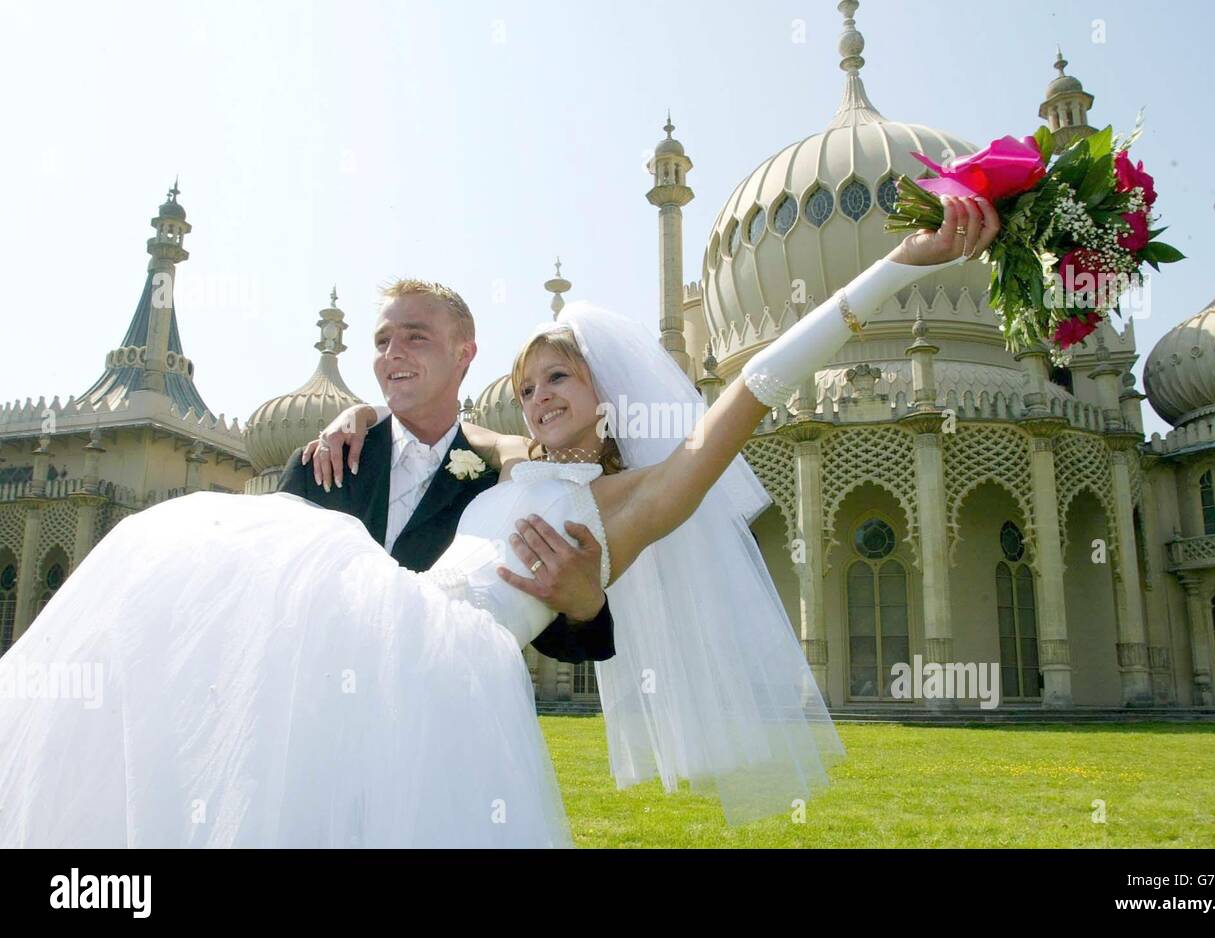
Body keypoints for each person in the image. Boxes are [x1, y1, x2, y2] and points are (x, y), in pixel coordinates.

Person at [0, 196, 998, 847]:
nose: (539, 394)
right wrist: (359, 406)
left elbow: (759, 381)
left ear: (612, 394)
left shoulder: (635, 502)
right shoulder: (507, 462)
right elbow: (433, 426)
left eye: (559, 376)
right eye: (526, 382)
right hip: (372, 617)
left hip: (450, 674)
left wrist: (902, 264)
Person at [280, 279, 616, 666]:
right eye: (381, 341)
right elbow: (272, 597)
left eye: (415, 337)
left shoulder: (500, 487)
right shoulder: (321, 464)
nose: (392, 354)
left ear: (463, 354)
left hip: (440, 714)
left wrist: (586, 606)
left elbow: (555, 637)